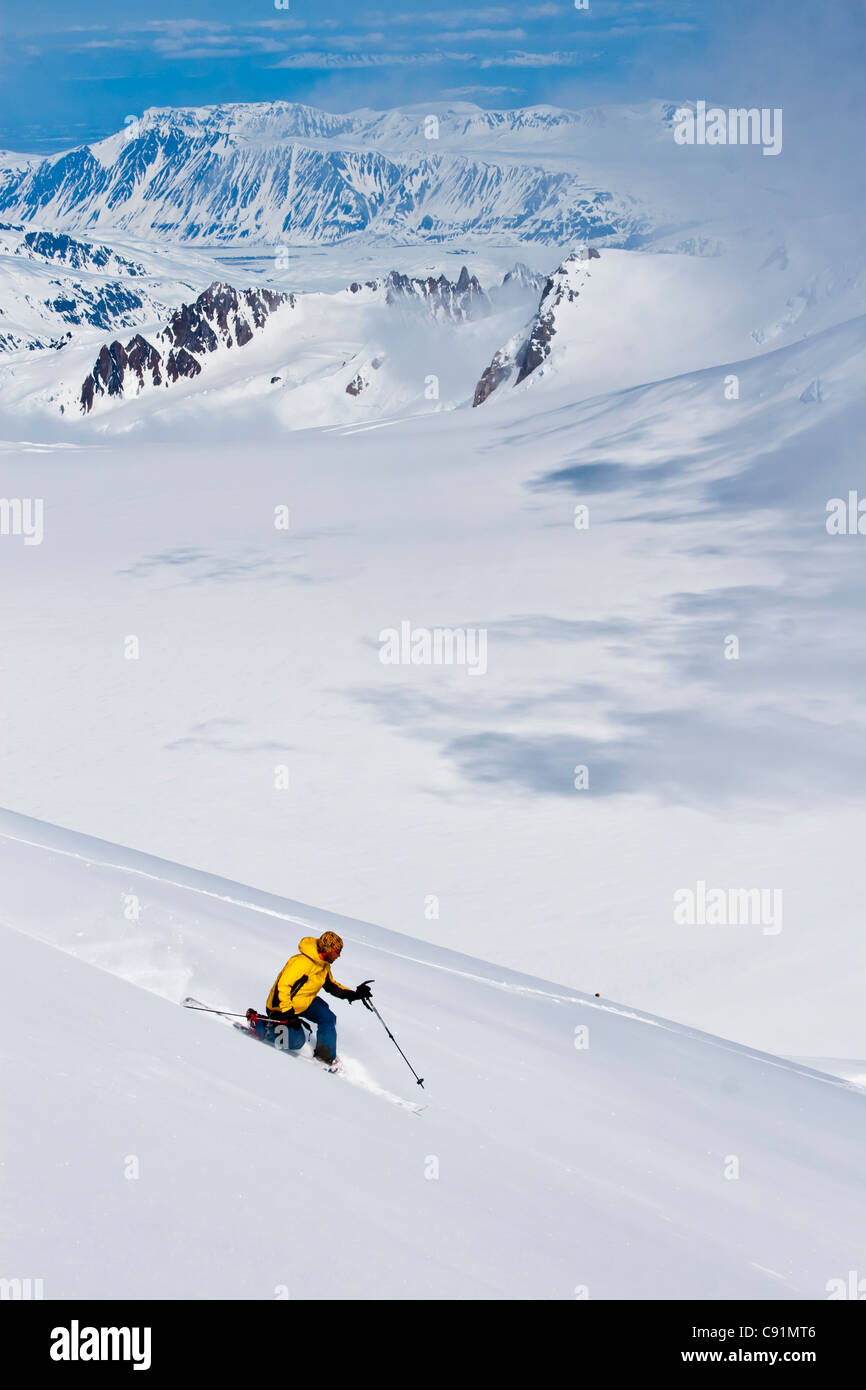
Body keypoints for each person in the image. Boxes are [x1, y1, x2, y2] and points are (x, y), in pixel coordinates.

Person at [265, 931, 372, 1066]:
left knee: (328, 1018)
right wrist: (287, 1013)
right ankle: (262, 1027)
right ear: (327, 949)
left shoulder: (323, 964)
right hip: (281, 1007)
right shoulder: (301, 962)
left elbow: (331, 986)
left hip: (305, 1002)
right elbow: (283, 986)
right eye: (337, 951)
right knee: (295, 1041)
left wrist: (354, 994)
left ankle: (325, 1057)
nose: (339, 955)